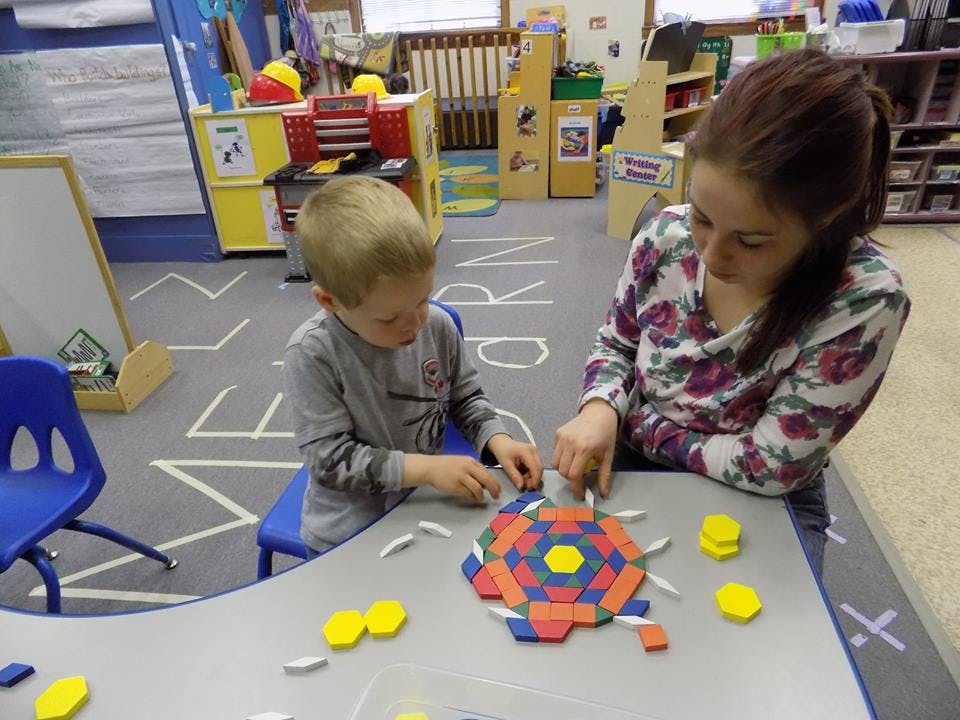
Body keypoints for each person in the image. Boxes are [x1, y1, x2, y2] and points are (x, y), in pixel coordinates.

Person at [552, 50, 911, 573]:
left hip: (761, 492)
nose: (712, 255)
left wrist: (632, 421)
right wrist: (600, 407)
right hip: (634, 458)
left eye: (752, 240)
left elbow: (770, 465)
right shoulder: (665, 237)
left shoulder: (864, 299)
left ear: (827, 219)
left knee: (747, 635)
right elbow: (617, 342)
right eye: (702, 216)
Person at [284, 176, 543, 556]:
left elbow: (465, 398)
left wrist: (496, 438)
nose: (414, 324)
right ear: (329, 301)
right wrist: (424, 469)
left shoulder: (435, 325)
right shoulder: (312, 354)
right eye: (389, 318)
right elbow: (329, 461)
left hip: (425, 510)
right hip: (349, 534)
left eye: (423, 299)